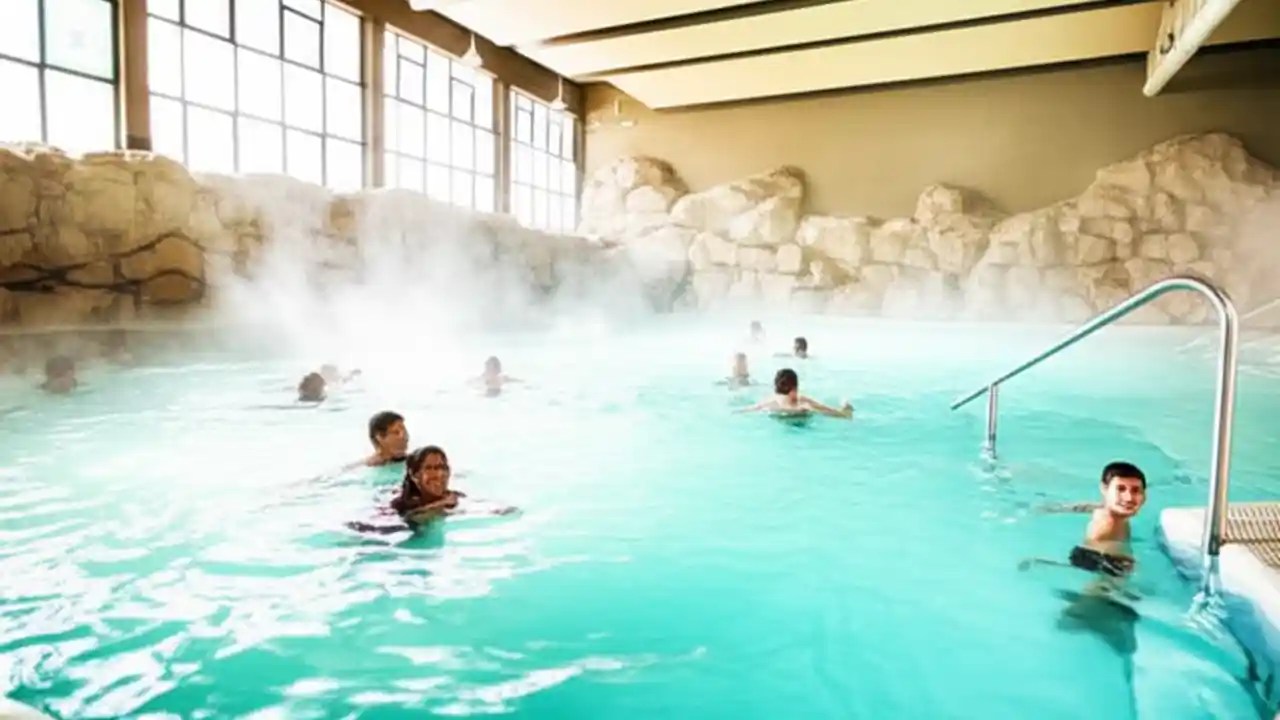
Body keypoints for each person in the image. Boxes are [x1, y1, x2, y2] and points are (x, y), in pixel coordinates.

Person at [391, 445, 515, 525]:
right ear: (415, 475)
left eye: (443, 468)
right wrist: (440, 505)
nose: (439, 474)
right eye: (430, 468)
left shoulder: (454, 496)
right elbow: (411, 518)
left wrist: (495, 510)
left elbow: (470, 507)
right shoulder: (400, 504)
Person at [737, 368, 852, 419]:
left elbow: (748, 410)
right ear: (795, 388)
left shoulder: (770, 401)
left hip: (778, 417)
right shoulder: (802, 401)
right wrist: (846, 409)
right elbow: (832, 412)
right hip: (799, 416)